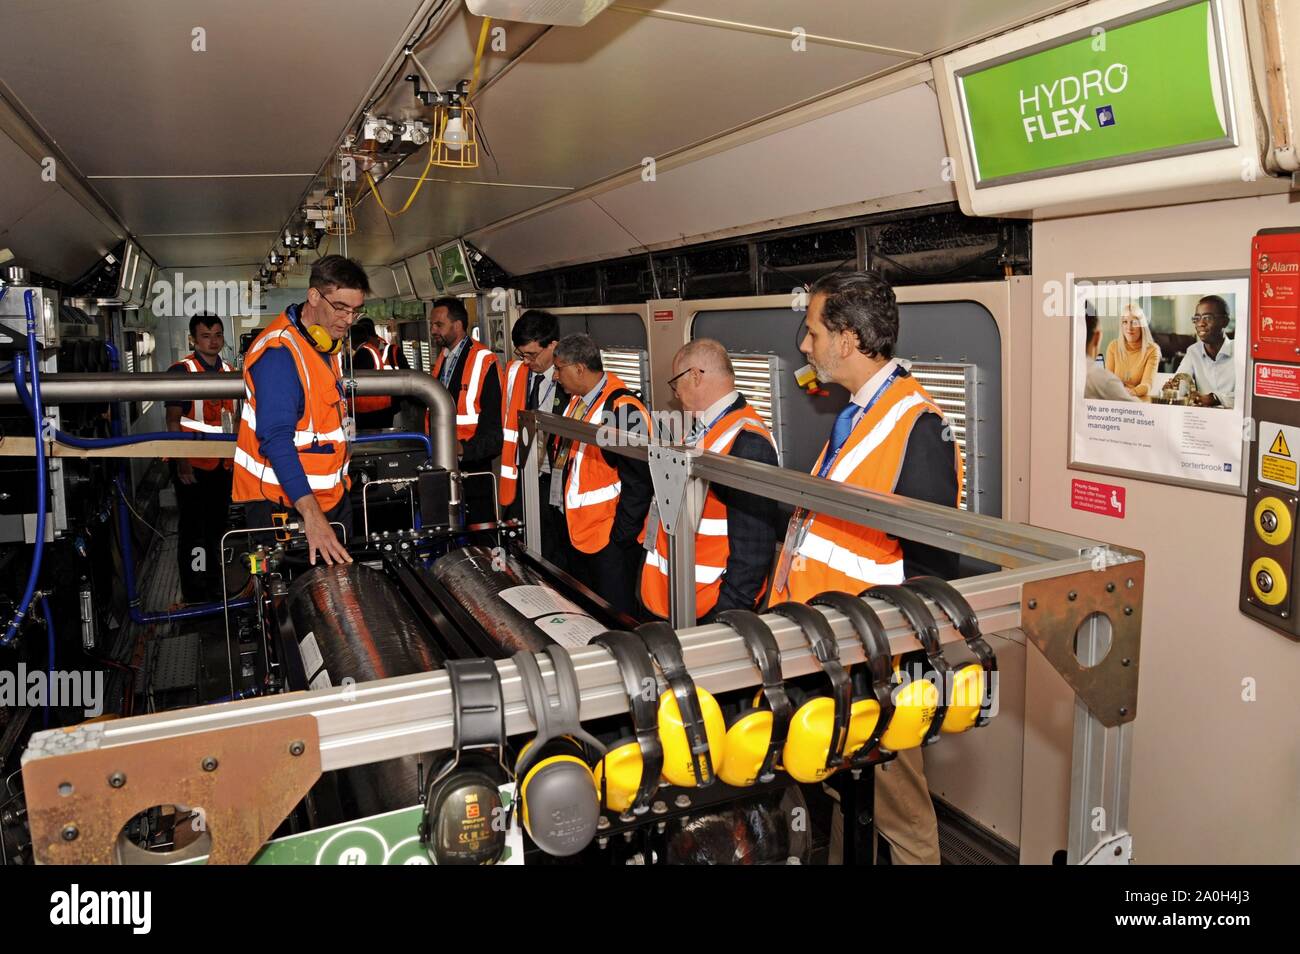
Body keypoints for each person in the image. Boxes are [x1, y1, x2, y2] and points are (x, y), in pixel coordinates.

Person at [770, 270, 963, 866]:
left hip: (878, 661)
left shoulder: (919, 426)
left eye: (811, 333)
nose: (805, 346)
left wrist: (895, 668)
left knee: (900, 814)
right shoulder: (858, 413)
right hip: (830, 648)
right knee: (841, 793)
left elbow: (930, 569)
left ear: (846, 339)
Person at [232, 255, 368, 566]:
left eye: (355, 311)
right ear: (313, 296)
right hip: (288, 509)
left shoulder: (323, 347)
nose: (348, 320)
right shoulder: (280, 353)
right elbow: (276, 440)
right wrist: (312, 515)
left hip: (328, 500)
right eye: (341, 308)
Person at [640, 338, 780, 621]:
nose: (676, 393)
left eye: (675, 383)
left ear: (694, 375)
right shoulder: (701, 431)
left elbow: (753, 550)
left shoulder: (747, 442)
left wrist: (725, 617)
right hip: (674, 596)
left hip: (707, 607)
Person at [551, 333, 652, 617]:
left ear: (579, 368)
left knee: (615, 617)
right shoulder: (577, 402)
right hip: (578, 531)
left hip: (609, 540)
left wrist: (620, 536)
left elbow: (640, 480)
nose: (555, 376)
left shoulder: (622, 410)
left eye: (559, 369)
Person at [164, 313, 235, 602]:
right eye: (206, 336)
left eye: (217, 335)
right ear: (193, 339)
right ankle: (196, 592)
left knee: (218, 527)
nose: (213, 341)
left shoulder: (229, 371)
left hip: (222, 465)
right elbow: (172, 421)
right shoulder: (181, 372)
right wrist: (182, 462)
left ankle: (215, 583)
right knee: (194, 531)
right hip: (192, 465)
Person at [500, 310, 569, 567]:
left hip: (554, 476)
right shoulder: (514, 371)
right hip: (520, 473)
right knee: (517, 542)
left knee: (554, 551)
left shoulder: (570, 377)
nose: (527, 361)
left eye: (532, 354)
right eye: (521, 354)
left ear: (553, 345)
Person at [429, 296, 503, 524]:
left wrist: (464, 450)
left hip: (474, 465)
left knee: (478, 530)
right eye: (432, 325)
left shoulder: (484, 361)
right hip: (444, 460)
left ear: (458, 325)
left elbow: (494, 428)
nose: (433, 330)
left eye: (438, 325)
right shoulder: (443, 358)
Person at [350, 316, 410, 431]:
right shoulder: (370, 351)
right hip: (382, 409)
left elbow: (409, 378)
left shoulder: (389, 351)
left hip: (385, 409)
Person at [1174, 294, 1235, 408]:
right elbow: (1181, 381)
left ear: (1225, 322)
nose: (1200, 324)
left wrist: (1215, 398)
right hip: (1202, 420)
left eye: (1207, 318)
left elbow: (1247, 396)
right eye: (1196, 319)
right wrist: (1175, 387)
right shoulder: (1193, 351)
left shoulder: (1240, 350)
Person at [1104, 304, 1160, 399]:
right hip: (1115, 399)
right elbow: (1108, 381)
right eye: (1125, 322)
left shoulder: (1152, 350)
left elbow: (1147, 384)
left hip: (1137, 402)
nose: (1129, 328)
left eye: (1134, 322)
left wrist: (1132, 392)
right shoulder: (1113, 347)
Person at [1084, 311, 1136, 401]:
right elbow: (1143, 411)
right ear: (1097, 337)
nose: (1129, 328)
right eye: (1125, 322)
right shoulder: (1104, 380)